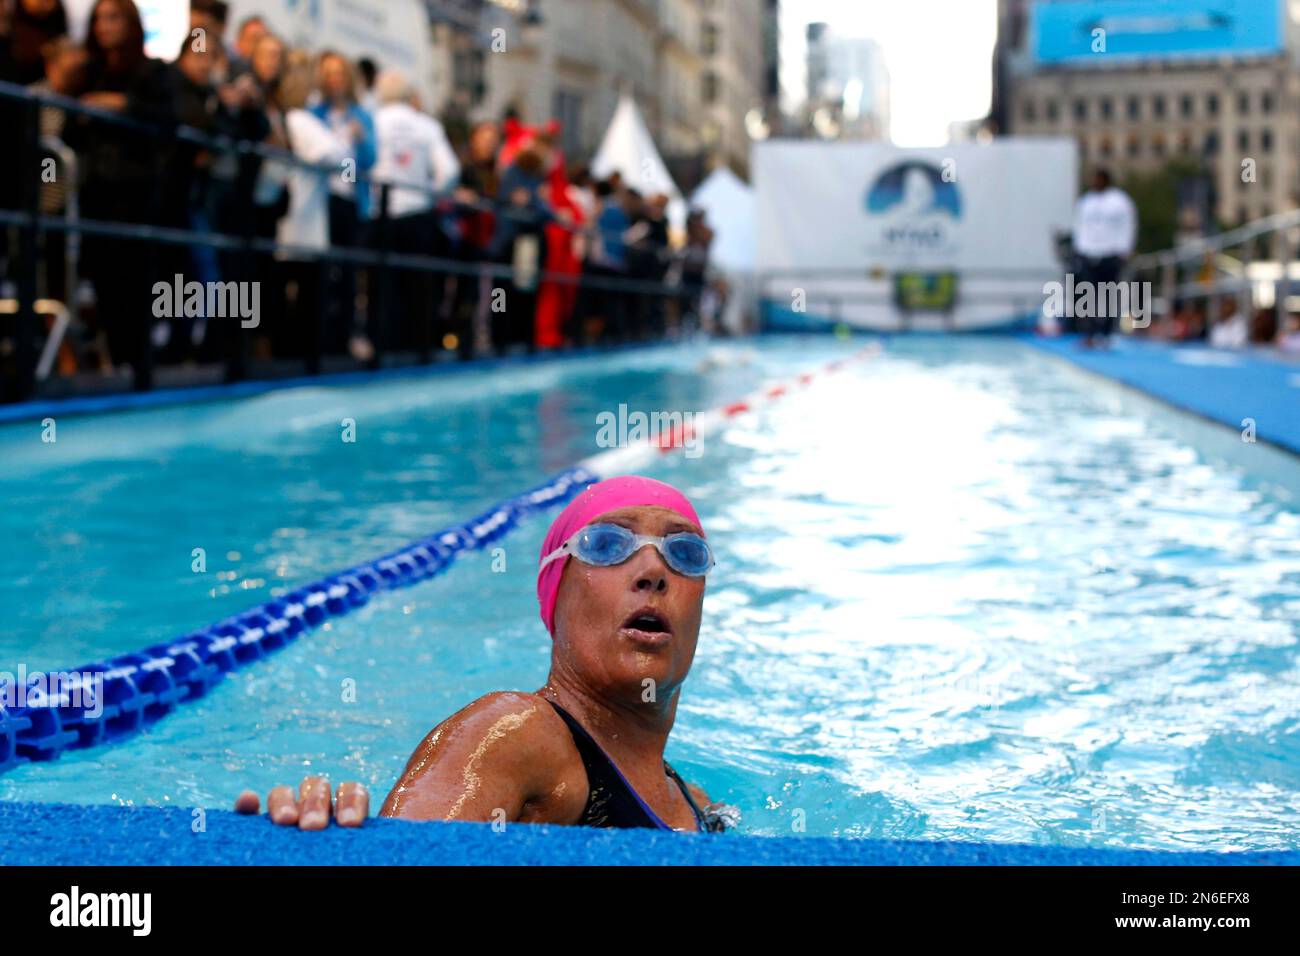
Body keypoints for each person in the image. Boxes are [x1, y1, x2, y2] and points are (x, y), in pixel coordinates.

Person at [235, 475, 736, 833]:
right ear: (555, 597)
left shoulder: (693, 803)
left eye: (685, 553)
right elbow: (407, 856)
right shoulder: (514, 734)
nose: (653, 572)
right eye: (606, 545)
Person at [368, 68, 460, 358]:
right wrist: (429, 194)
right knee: (419, 286)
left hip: (381, 213)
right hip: (418, 214)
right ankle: (419, 348)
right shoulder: (426, 126)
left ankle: (383, 346)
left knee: (383, 284)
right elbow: (450, 171)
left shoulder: (373, 120)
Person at [1071, 168, 1137, 348]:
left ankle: (1106, 334)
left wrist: (1124, 250)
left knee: (1109, 294)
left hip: (1111, 253)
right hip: (1088, 253)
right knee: (1087, 294)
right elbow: (1079, 226)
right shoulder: (1086, 202)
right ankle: (1089, 333)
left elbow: (1128, 225)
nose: (1094, 183)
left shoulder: (1120, 201)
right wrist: (1078, 249)